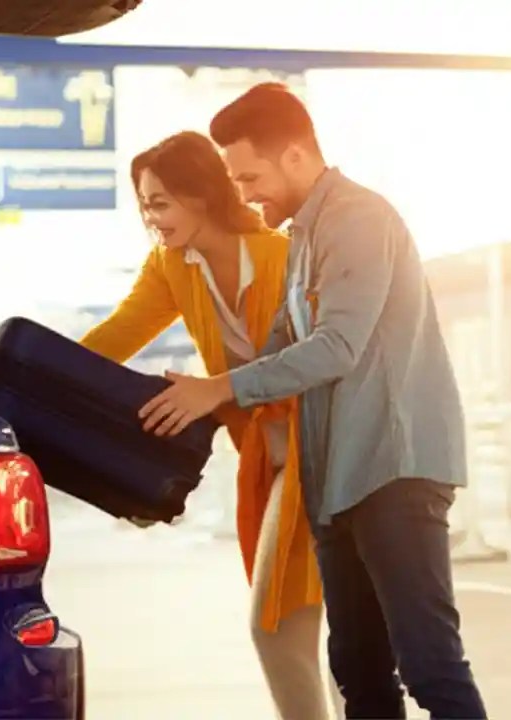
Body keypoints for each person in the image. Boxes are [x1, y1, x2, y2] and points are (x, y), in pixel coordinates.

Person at [137, 83, 489, 720]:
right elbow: (269, 357)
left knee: (428, 663)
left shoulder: (359, 219)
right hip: (334, 482)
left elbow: (336, 348)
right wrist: (183, 402)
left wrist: (217, 389)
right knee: (357, 668)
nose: (243, 194)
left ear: (296, 156)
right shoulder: (304, 237)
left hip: (394, 468)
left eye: (250, 176)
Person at [78, 130, 340, 720]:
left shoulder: (283, 253)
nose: (151, 218)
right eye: (145, 205)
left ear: (200, 195)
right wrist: (36, 379)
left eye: (161, 202)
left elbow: (321, 358)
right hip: (271, 469)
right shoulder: (172, 266)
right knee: (288, 626)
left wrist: (213, 394)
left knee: (320, 631)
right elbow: (114, 339)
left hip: (330, 456)